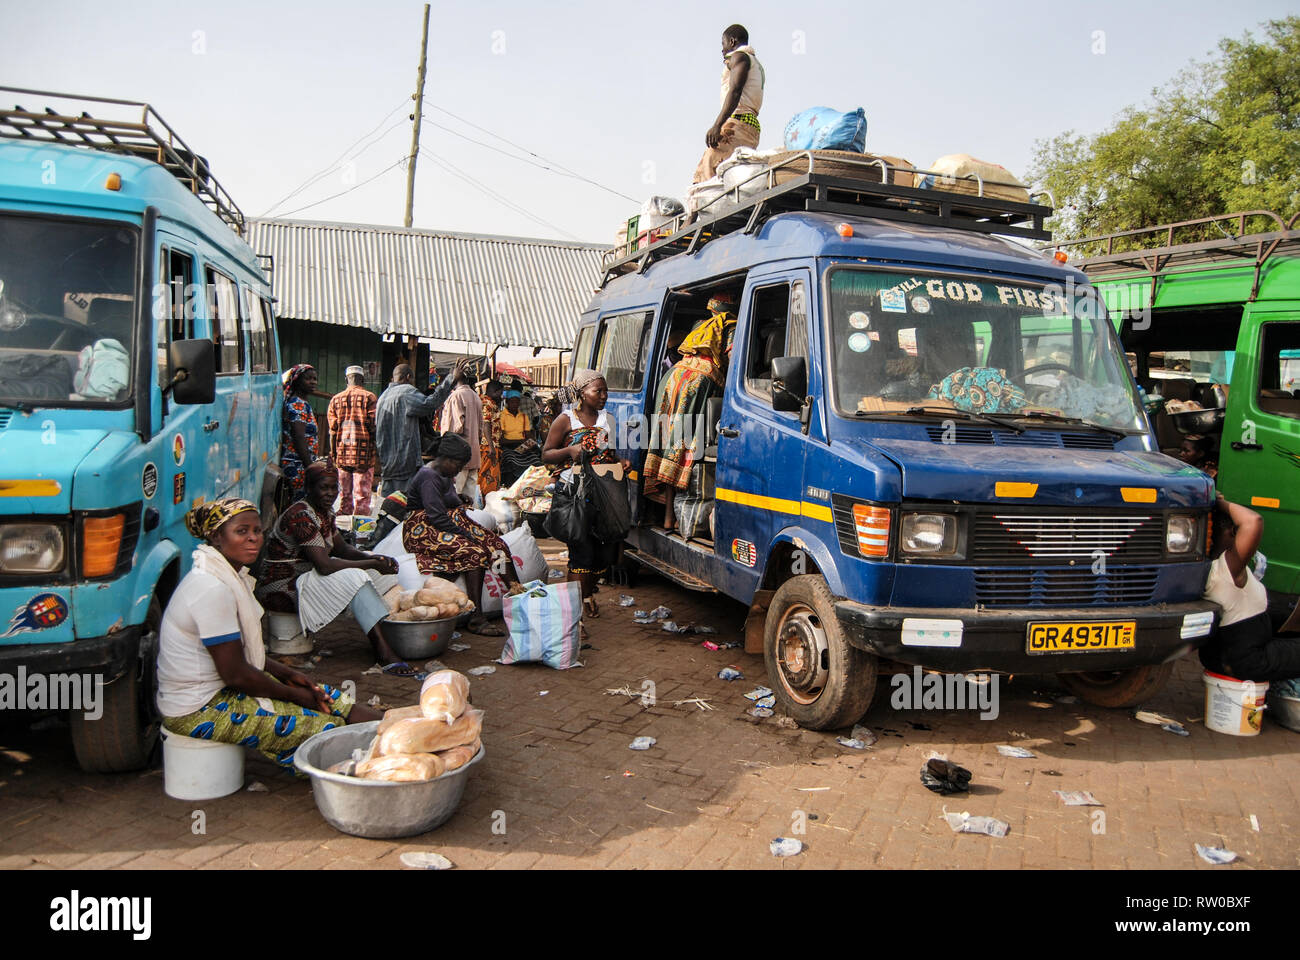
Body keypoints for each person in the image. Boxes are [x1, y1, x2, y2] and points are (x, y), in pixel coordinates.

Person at [157, 498, 381, 773]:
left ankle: (398, 728)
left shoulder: (226, 576)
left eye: (257, 530)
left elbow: (242, 656)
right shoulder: (210, 589)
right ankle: (365, 771)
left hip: (224, 689)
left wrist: (289, 676)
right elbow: (236, 674)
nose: (253, 538)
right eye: (242, 531)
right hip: (197, 709)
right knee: (326, 728)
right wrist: (293, 695)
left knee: (330, 697)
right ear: (217, 537)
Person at [256, 461, 415, 676]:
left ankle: (392, 633)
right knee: (356, 576)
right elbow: (325, 565)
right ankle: (382, 650)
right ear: (309, 488)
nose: (330, 493)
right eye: (324, 487)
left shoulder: (325, 512)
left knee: (375, 571)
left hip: (306, 577)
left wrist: (375, 559)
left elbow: (341, 549)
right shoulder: (301, 515)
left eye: (334, 488)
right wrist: (370, 563)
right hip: (283, 587)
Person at [402, 433, 518, 637]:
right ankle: (476, 616)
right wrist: (466, 535)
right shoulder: (429, 476)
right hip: (423, 528)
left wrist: (459, 499)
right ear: (446, 459)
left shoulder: (445, 475)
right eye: (458, 464)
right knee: (474, 552)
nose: (459, 469)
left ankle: (518, 595)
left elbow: (448, 500)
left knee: (496, 544)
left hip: (445, 522)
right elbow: (437, 516)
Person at [542, 370, 631, 621]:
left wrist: (621, 461)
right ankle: (574, 612)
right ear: (582, 393)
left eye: (605, 391)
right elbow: (546, 454)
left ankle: (587, 594)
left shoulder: (608, 420)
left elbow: (609, 454)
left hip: (605, 493)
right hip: (574, 493)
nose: (603, 396)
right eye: (597, 391)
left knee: (603, 551)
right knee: (581, 552)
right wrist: (569, 450)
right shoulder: (565, 419)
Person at [642, 295, 737, 530]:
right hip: (699, 383)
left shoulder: (700, 325)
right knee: (686, 447)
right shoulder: (731, 325)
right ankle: (679, 519)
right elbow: (733, 359)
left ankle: (668, 517)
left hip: (674, 378)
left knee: (668, 444)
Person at [1198, 495, 1300, 682]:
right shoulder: (1226, 568)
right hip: (1247, 659)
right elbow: (1253, 521)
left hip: (1218, 654)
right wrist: (1219, 501)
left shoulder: (1205, 566)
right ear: (1229, 533)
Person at [375, 360, 462, 496]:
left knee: (389, 508)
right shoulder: (406, 393)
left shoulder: (383, 397)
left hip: (387, 466)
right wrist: (451, 379)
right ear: (408, 377)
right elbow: (430, 404)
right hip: (404, 463)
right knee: (408, 509)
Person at [693, 24, 765, 186]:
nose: (722, 49)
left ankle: (698, 210)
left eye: (723, 43)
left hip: (737, 124)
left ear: (732, 41)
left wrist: (717, 125)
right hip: (750, 126)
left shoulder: (740, 57)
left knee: (708, 167)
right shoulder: (755, 62)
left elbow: (735, 91)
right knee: (730, 176)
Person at [327, 364, 378, 516]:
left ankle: (344, 514)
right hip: (363, 454)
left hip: (342, 452)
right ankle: (360, 520)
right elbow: (373, 426)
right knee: (362, 494)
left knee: (344, 493)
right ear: (363, 380)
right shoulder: (369, 398)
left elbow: (332, 431)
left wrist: (333, 453)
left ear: (346, 379)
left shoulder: (335, 400)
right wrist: (374, 449)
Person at [440, 363, 483, 502]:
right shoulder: (476, 397)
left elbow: (454, 430)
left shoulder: (456, 396)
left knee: (454, 496)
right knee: (469, 499)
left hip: (457, 458)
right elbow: (480, 429)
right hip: (474, 453)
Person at [280, 364, 319, 502]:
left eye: (315, 378)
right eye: (308, 379)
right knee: (299, 506)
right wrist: (310, 466)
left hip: (299, 464)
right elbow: (299, 436)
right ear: (297, 381)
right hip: (297, 465)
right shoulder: (298, 405)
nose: (313, 382)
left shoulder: (301, 403)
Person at [499, 388, 541, 488]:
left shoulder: (523, 416)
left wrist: (530, 441)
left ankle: (532, 486)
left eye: (517, 402)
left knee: (536, 460)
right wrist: (522, 441)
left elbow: (528, 435)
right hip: (507, 446)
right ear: (507, 402)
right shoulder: (502, 416)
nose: (515, 404)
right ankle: (509, 487)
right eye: (512, 402)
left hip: (521, 446)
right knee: (510, 460)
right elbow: (502, 440)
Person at [478, 379, 504, 498]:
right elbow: (486, 424)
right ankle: (484, 500)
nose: (502, 396)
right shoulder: (487, 403)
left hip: (491, 445)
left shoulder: (489, 402)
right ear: (495, 391)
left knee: (489, 476)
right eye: (500, 392)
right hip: (488, 446)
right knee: (488, 477)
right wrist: (491, 446)